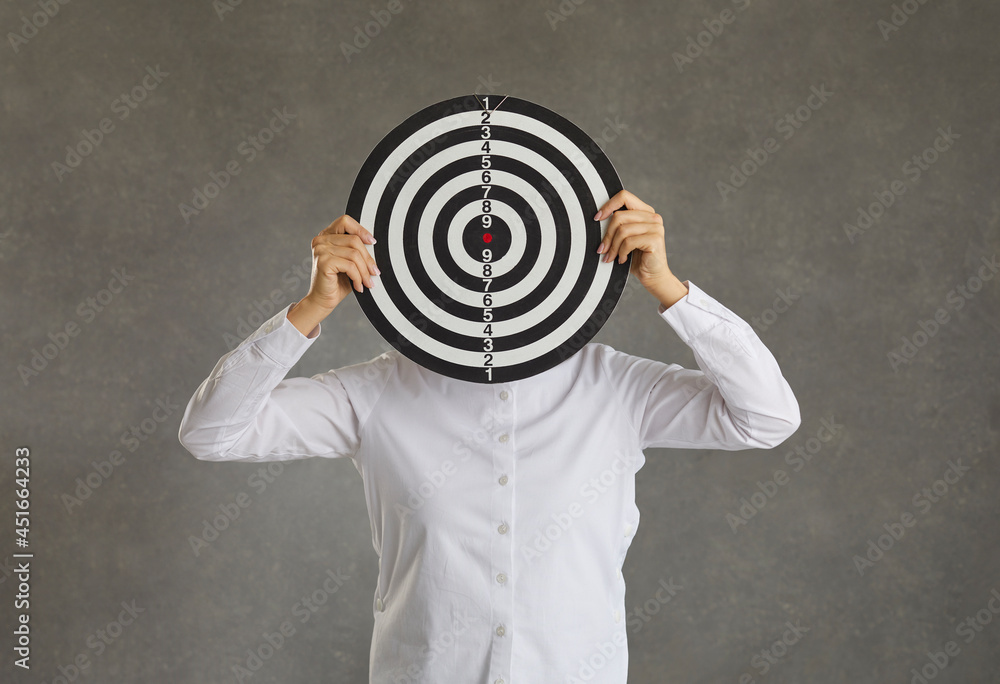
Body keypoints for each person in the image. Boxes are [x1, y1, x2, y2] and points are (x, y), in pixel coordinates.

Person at [178, 189, 801, 684]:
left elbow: (767, 417)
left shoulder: (617, 386)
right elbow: (211, 433)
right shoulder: (373, 393)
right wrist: (311, 307)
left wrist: (670, 288)